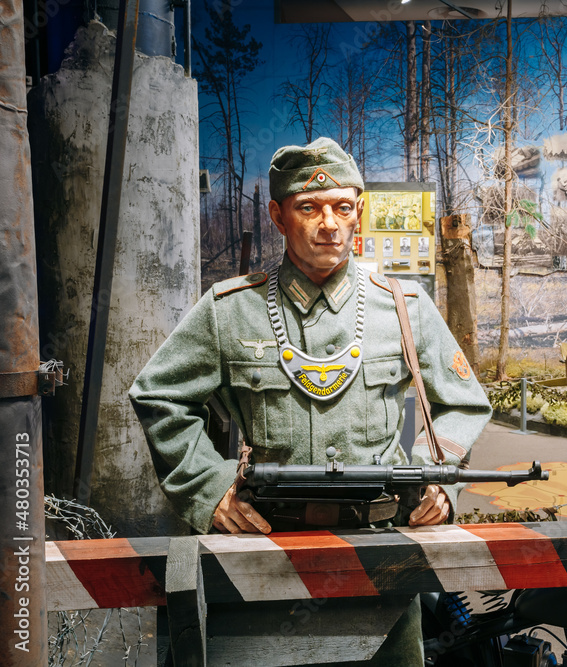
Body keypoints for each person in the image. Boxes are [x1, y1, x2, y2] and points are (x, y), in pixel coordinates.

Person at [130, 137, 492, 662]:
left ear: (358, 213)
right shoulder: (230, 310)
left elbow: (465, 402)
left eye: (342, 207)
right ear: (278, 216)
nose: (329, 224)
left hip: (382, 556)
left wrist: (435, 477)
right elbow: (158, 393)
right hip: (267, 552)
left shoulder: (404, 307)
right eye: (309, 208)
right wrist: (209, 489)